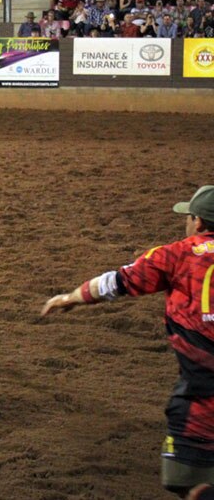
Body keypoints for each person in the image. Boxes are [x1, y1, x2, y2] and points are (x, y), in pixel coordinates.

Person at [41, 186, 214, 497]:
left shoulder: (174, 256)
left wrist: (70, 298)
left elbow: (115, 282)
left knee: (183, 479)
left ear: (198, 223)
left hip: (202, 397)